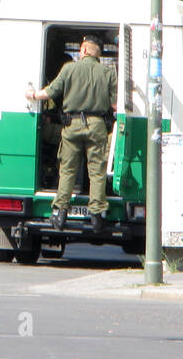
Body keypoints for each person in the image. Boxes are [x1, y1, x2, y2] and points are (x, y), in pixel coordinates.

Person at [26, 35, 117, 233]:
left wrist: (32, 95)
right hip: (96, 126)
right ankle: (96, 215)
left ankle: (60, 213)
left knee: (67, 169)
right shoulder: (108, 73)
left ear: (83, 50)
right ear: (98, 54)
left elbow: (49, 92)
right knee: (96, 171)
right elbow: (115, 104)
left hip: (72, 125)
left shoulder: (69, 69)